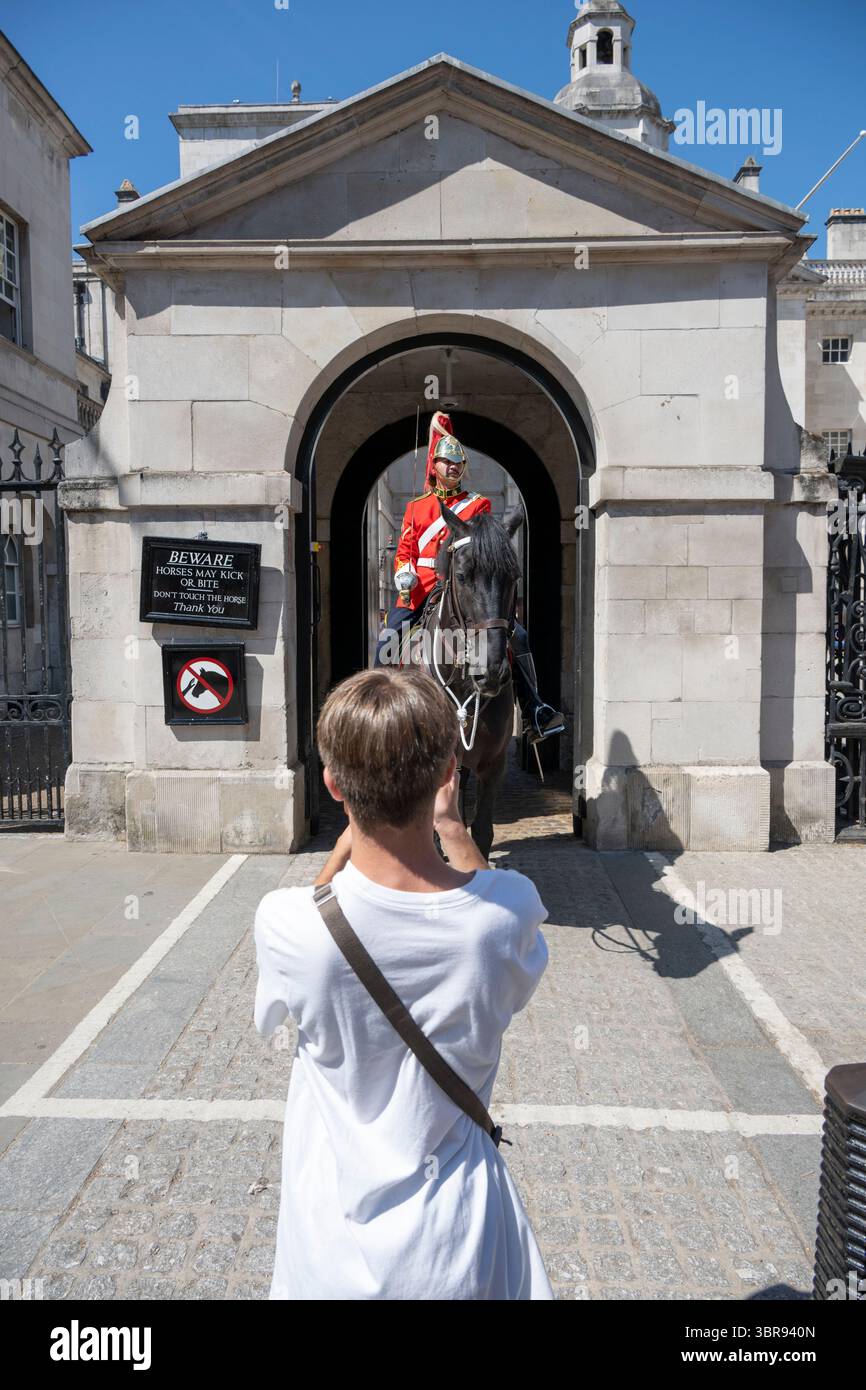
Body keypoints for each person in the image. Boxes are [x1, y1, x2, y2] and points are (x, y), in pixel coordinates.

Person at [253, 667, 553, 1300]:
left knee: (514, 653)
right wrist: (453, 831)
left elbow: (318, 914)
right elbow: (494, 904)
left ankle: (535, 693)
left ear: (333, 783)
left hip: (325, 1247)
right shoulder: (506, 915)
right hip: (458, 1242)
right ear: (450, 773)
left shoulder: (287, 924)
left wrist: (343, 850)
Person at [374, 411, 565, 742]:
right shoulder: (416, 508)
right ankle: (379, 718)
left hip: (467, 589)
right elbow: (405, 551)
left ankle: (534, 709)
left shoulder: (478, 505)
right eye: (446, 462)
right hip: (421, 590)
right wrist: (405, 575)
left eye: (457, 463)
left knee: (516, 636)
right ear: (433, 467)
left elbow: (487, 548)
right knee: (387, 642)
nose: (452, 468)